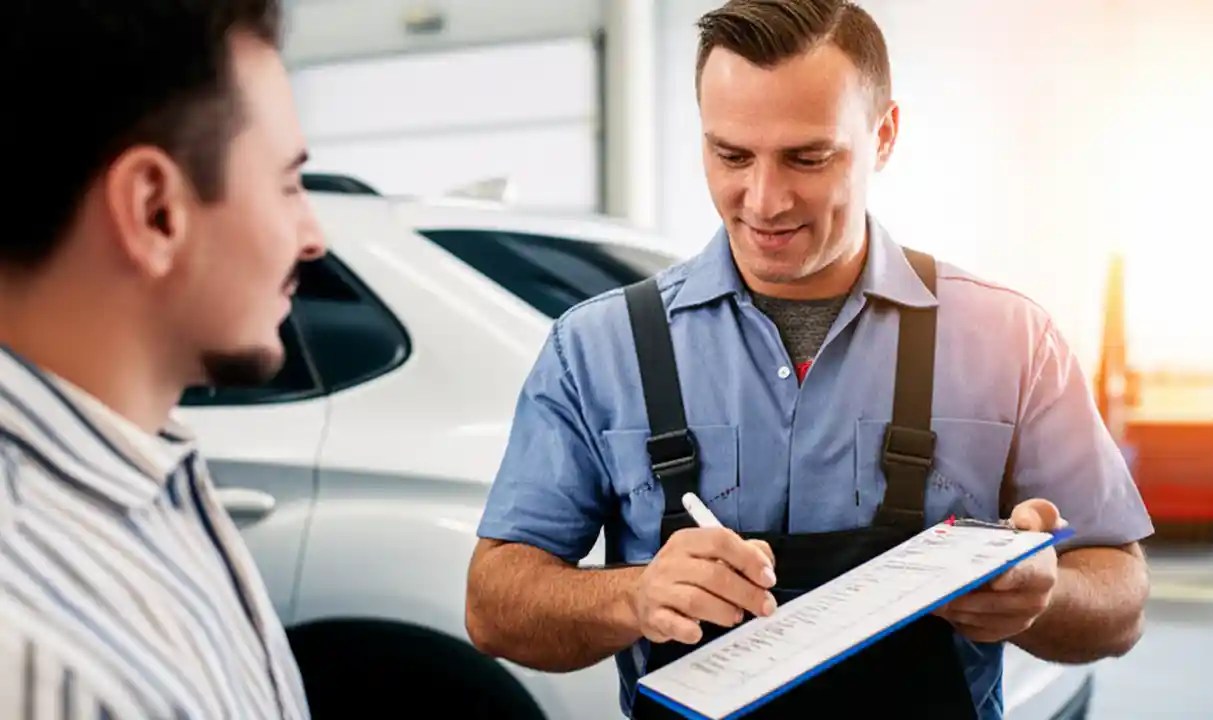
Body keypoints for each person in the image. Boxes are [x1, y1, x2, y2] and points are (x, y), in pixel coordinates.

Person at [465, 0, 1152, 718]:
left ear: (883, 135)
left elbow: (1120, 599)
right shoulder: (596, 350)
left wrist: (1045, 595)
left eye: (807, 157)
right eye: (731, 155)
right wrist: (633, 596)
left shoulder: (1010, 340)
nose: (763, 200)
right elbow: (494, 606)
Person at [0, 0, 324, 717]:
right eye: (288, 184)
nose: (313, 237)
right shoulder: (34, 652)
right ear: (154, 211)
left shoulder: (143, 471)